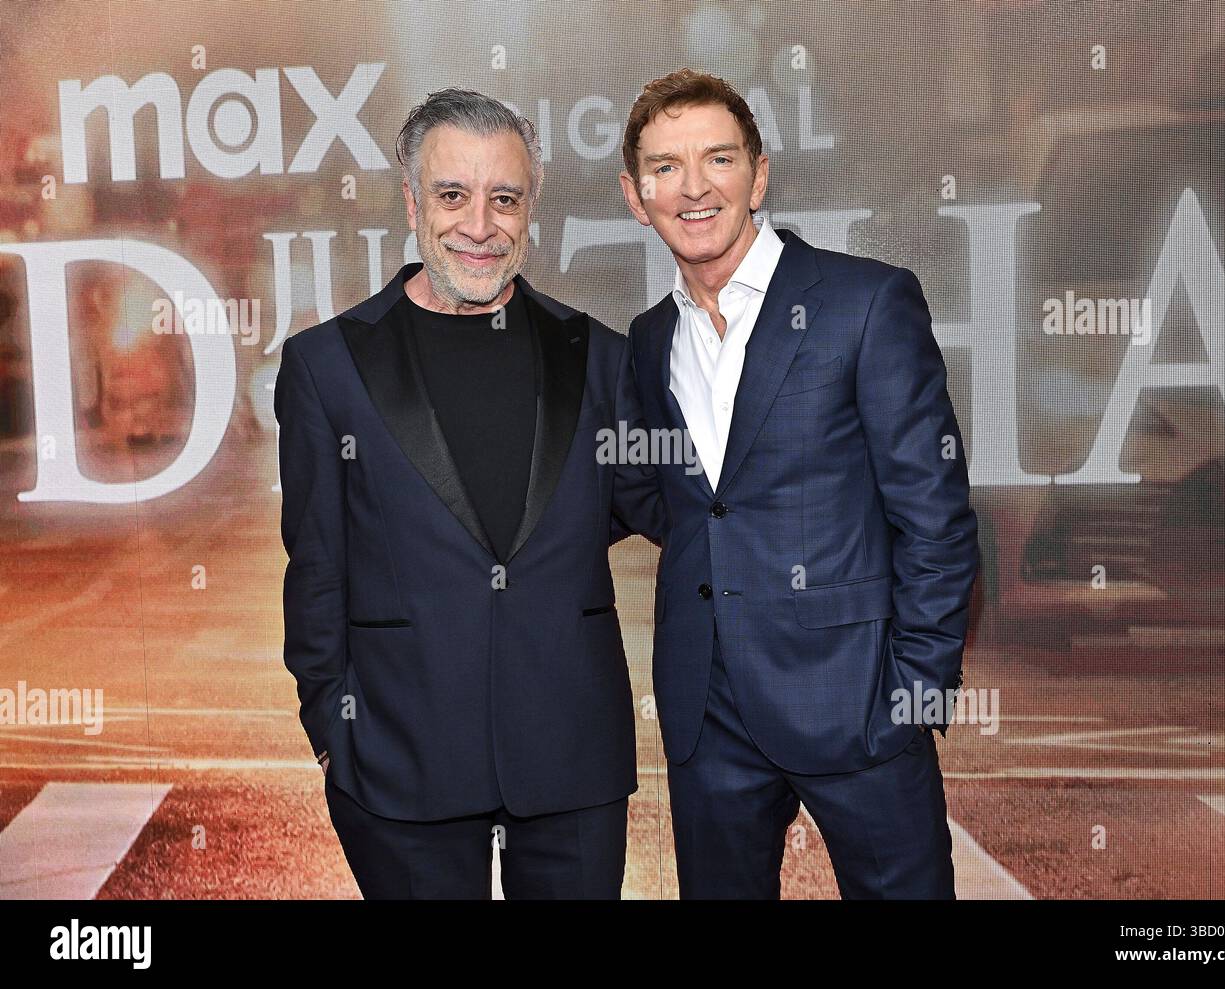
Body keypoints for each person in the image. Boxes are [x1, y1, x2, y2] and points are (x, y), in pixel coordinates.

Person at [275, 88, 661, 899]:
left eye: (504, 198)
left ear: (533, 205)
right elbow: (316, 568)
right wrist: (330, 732)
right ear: (413, 200)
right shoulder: (326, 366)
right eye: (453, 195)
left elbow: (674, 509)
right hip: (398, 765)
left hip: (573, 764)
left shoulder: (600, 358)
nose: (479, 226)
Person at [618, 69, 980, 899]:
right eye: (665, 167)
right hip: (708, 717)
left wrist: (914, 696)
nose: (694, 186)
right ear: (636, 197)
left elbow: (937, 518)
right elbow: (677, 502)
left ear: (760, 173)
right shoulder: (648, 338)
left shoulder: (864, 302)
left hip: (859, 703)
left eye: (718, 158)